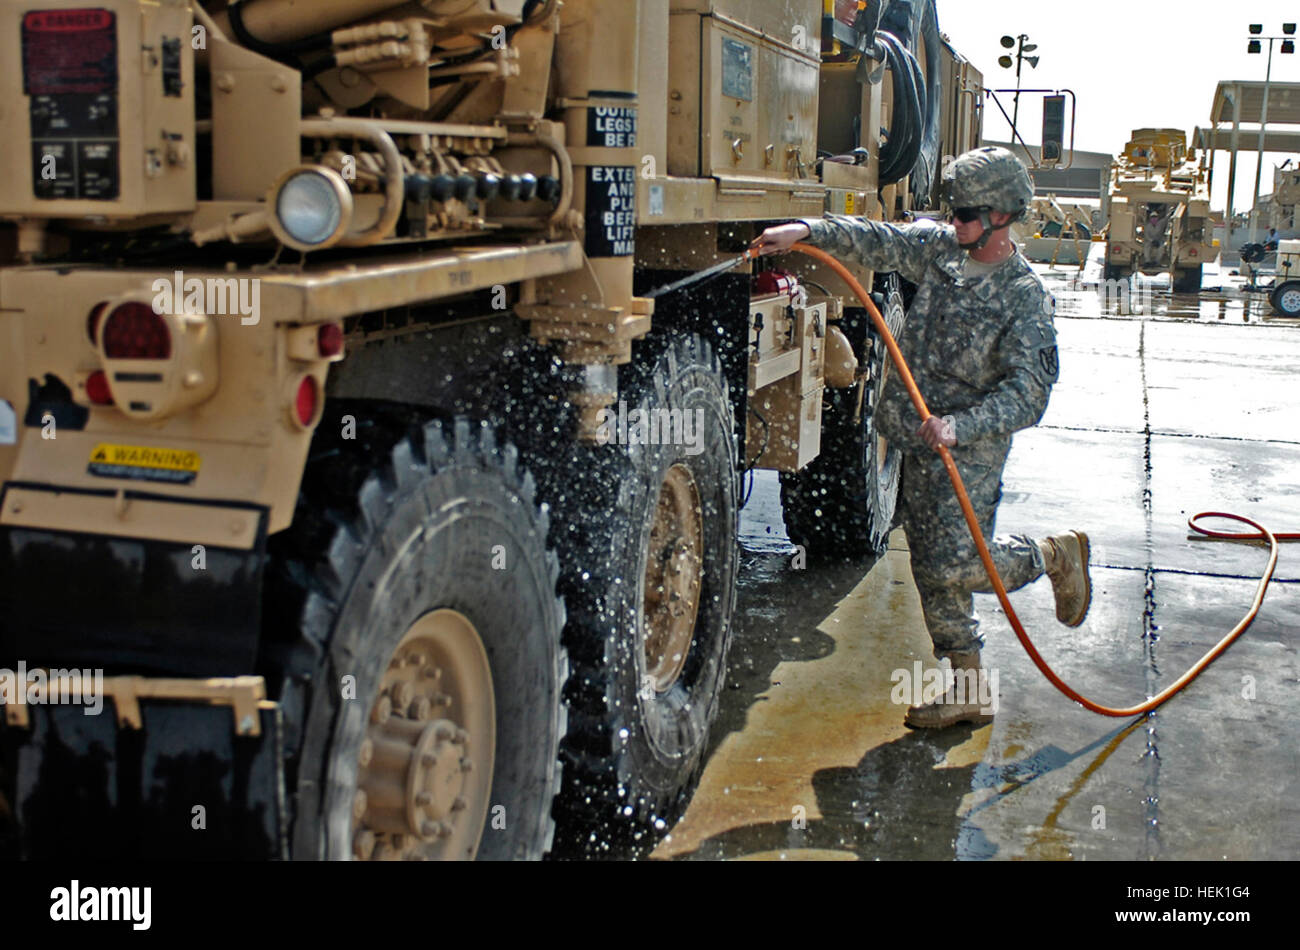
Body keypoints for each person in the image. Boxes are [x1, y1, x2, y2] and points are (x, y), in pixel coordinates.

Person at [752, 146, 1092, 729]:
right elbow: (877, 240)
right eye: (952, 212)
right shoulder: (942, 253)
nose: (952, 222)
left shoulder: (1024, 297)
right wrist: (806, 230)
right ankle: (967, 689)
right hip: (914, 435)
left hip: (970, 448)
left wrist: (961, 427)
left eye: (965, 215)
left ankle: (1054, 555)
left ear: (1001, 216)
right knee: (932, 565)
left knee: (958, 566)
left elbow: (1028, 395)